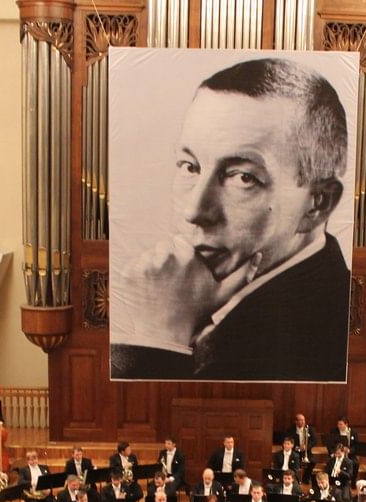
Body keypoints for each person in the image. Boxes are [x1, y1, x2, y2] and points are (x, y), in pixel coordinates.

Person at [110, 57, 351, 381]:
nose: (194, 211)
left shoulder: (320, 337)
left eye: (243, 177)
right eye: (190, 167)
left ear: (317, 204)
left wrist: (159, 337)